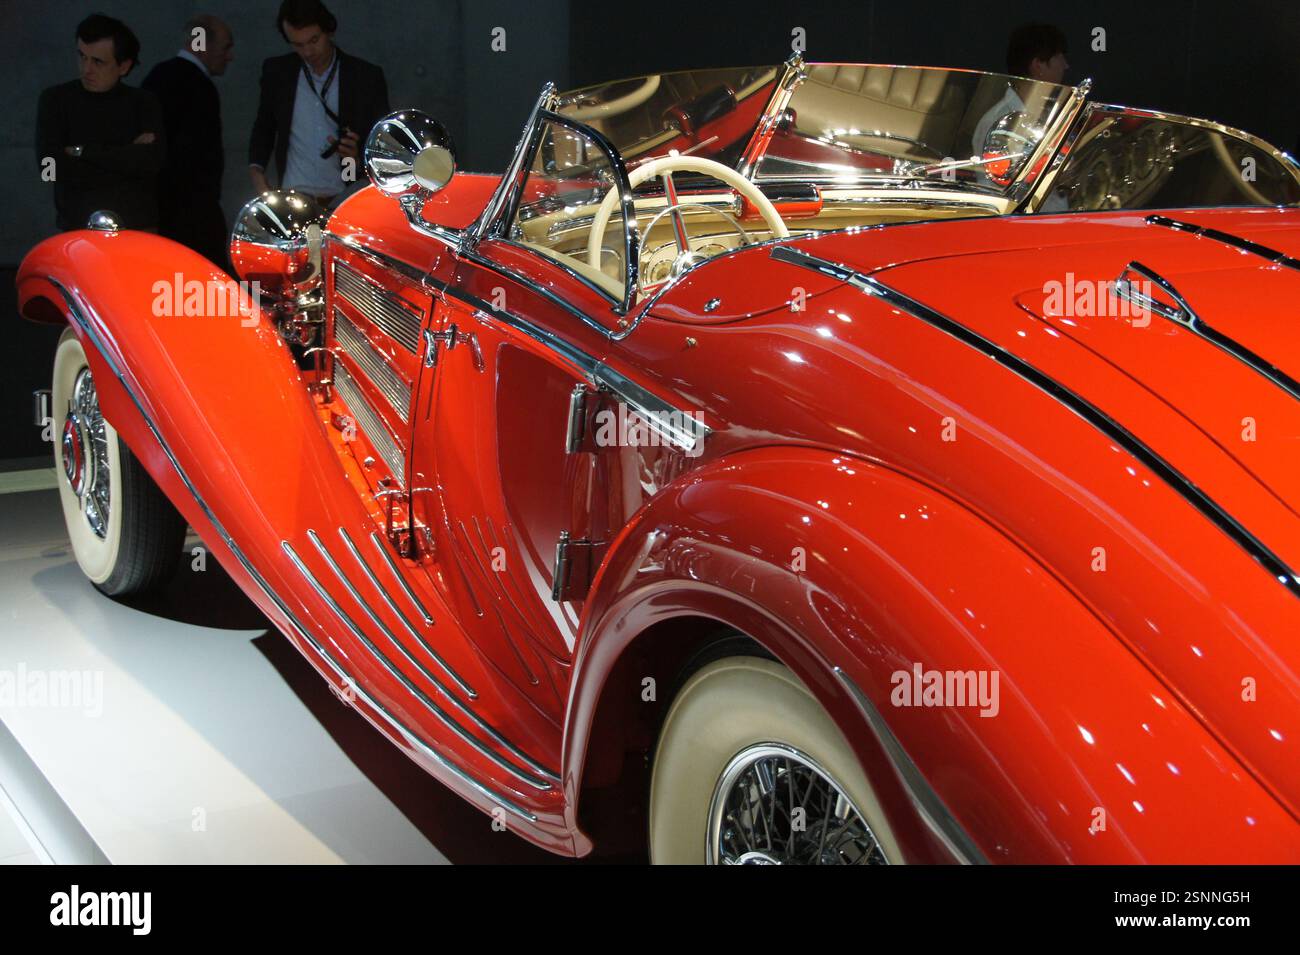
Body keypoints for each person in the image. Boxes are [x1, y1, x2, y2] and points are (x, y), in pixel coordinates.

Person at [248, 0, 389, 206]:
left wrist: (357, 158)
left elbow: (383, 143)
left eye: (314, 40)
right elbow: (264, 127)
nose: (307, 52)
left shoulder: (365, 77)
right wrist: (256, 172)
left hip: (345, 198)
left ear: (328, 31)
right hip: (294, 197)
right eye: (298, 44)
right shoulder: (278, 72)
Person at [35, 14, 164, 231]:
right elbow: (49, 170)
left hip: (135, 230)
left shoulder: (144, 103)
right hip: (77, 229)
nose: (86, 69)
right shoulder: (56, 99)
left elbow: (151, 164)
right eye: (82, 57)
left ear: (123, 66)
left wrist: (80, 152)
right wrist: (125, 154)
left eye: (98, 61)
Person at [143, 14, 235, 268]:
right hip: (192, 215)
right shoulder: (199, 86)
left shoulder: (158, 76)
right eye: (225, 47)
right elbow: (197, 158)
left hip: (164, 211)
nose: (230, 56)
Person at [971, 23, 1070, 158]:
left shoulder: (1052, 115)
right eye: (1060, 57)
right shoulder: (997, 123)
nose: (1065, 65)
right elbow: (995, 177)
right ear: (1038, 65)